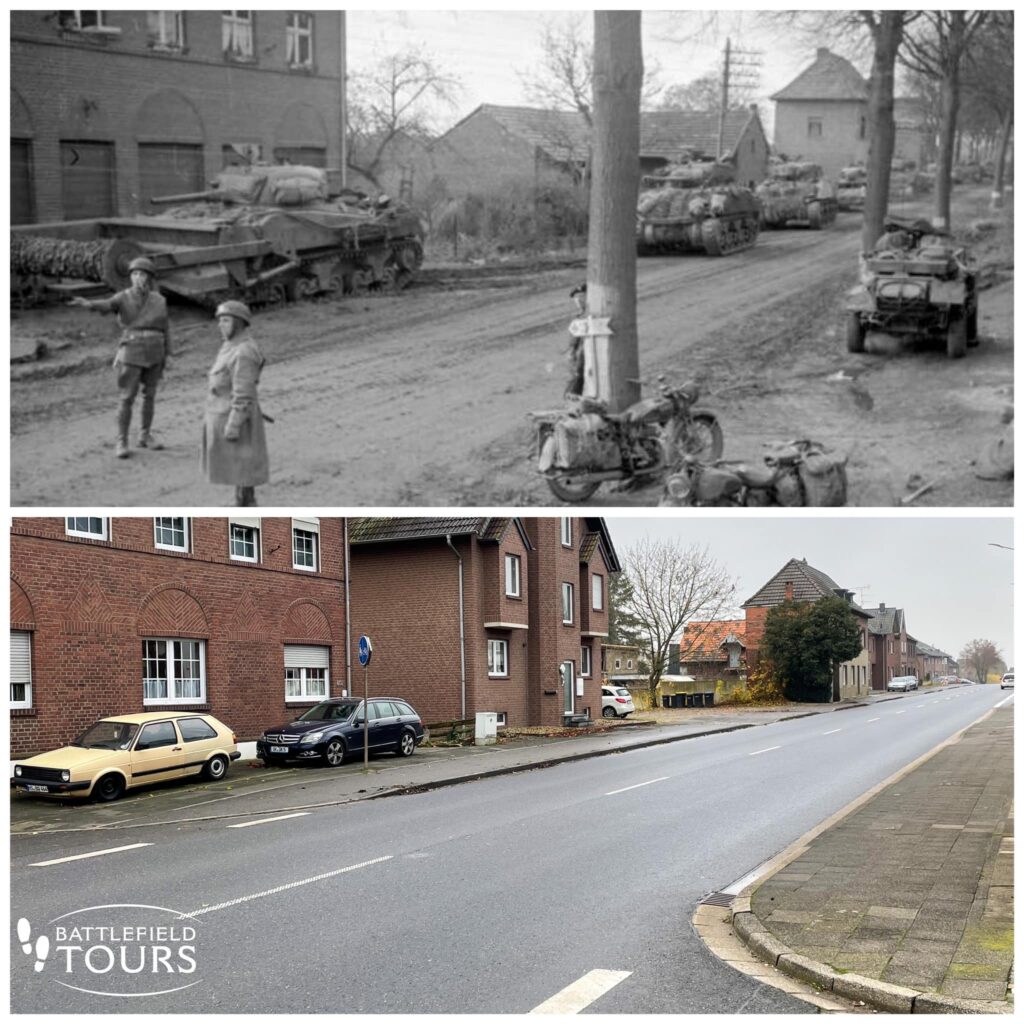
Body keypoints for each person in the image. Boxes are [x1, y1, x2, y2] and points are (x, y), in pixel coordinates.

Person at [69, 256, 172, 458]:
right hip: (132, 350)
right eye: (134, 274)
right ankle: (122, 441)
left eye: (142, 274)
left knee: (150, 395)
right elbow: (107, 304)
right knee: (127, 397)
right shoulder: (123, 297)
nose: (137, 278)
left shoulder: (159, 300)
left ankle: (145, 435)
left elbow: (166, 327)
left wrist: (169, 353)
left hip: (155, 350)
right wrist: (88, 304)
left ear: (150, 278)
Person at [201, 300, 269, 507]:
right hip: (223, 409)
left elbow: (243, 393)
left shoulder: (243, 352)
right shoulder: (230, 346)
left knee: (243, 465)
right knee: (239, 466)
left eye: (226, 320)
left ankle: (246, 506)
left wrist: (234, 424)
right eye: (220, 320)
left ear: (239, 323)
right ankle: (243, 502)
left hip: (236, 414)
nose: (220, 325)